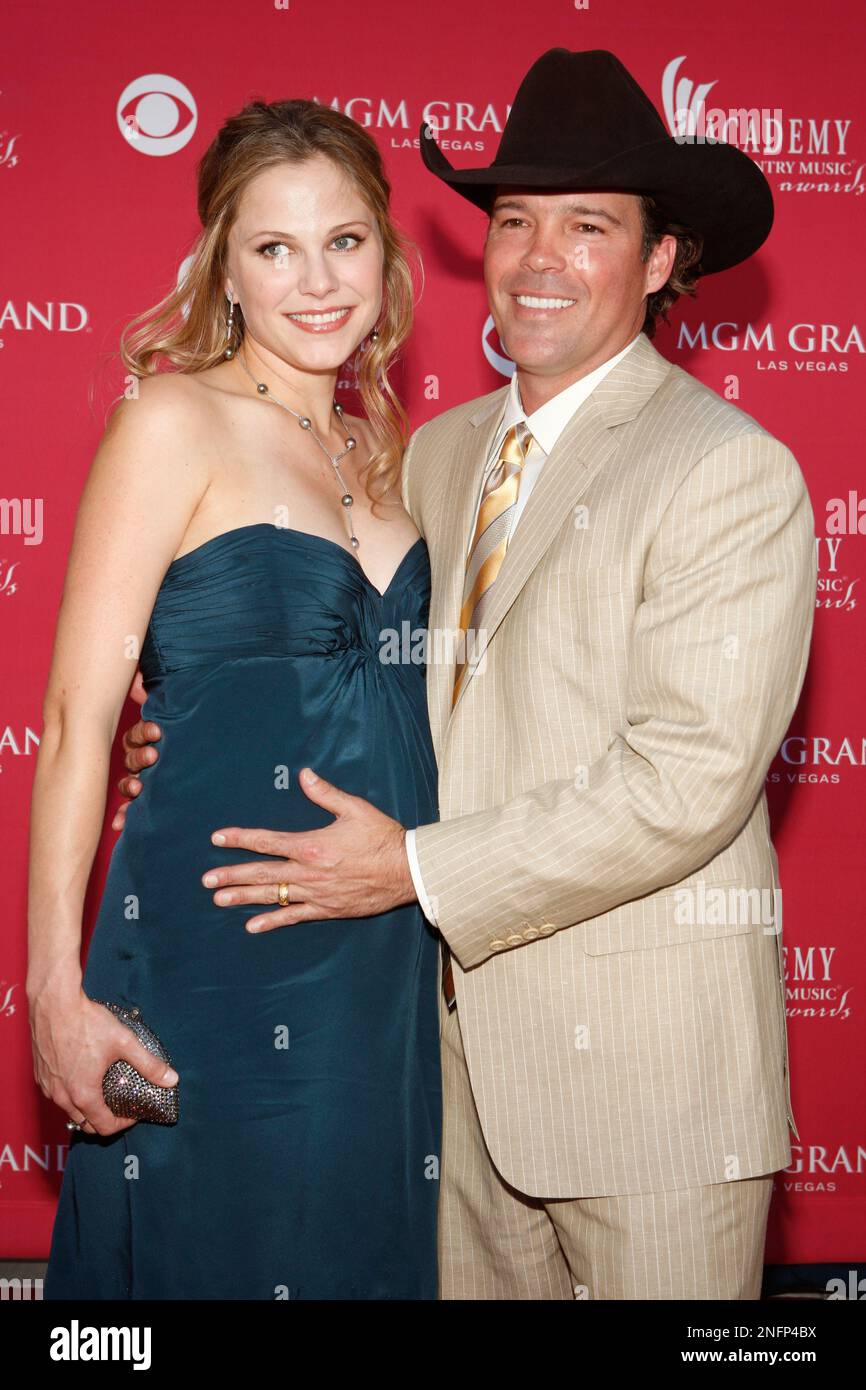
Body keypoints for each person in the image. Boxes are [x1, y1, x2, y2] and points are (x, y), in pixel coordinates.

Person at [116, 50, 817, 1299]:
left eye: (587, 226)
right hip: (440, 1089)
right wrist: (203, 721)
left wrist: (414, 868)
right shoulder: (433, 455)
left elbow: (686, 780)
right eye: (512, 223)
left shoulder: (722, 469)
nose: (537, 259)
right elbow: (368, 678)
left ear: (661, 262)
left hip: (648, 1102)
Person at [29, 98, 441, 1300]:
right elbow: (74, 721)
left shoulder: (391, 456)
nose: (316, 281)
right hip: (220, 940)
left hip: (384, 953)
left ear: (387, 257)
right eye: (274, 249)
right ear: (225, 266)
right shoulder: (173, 419)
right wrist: (53, 993)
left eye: (345, 241)